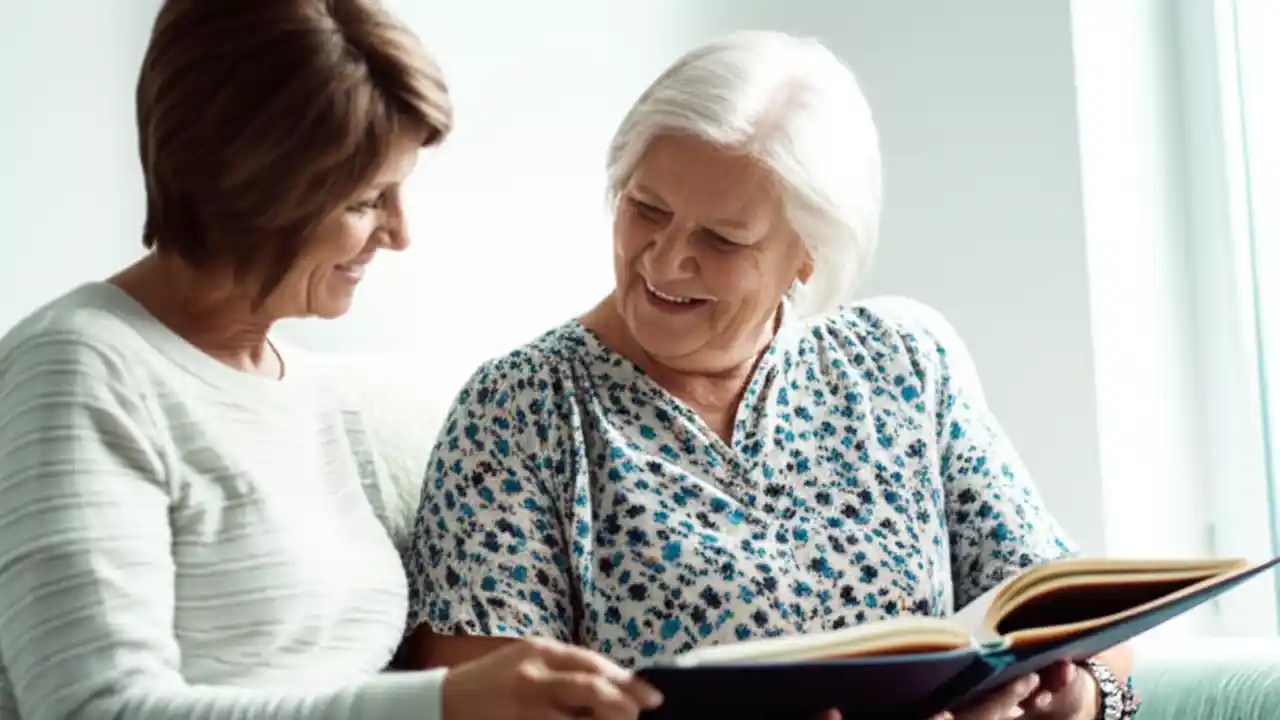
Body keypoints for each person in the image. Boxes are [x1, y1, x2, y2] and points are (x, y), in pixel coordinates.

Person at [404, 31, 1139, 720]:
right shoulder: (518, 410)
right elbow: (485, 705)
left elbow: (1076, 618)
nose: (664, 261)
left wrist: (1080, 700)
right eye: (646, 210)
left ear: (808, 254)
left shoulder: (902, 362)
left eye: (722, 240)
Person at [0, 1, 662, 718]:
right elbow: (93, 708)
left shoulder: (308, 387)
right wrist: (441, 706)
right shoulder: (79, 370)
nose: (400, 233)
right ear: (253, 190)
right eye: (367, 200)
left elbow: (344, 679)